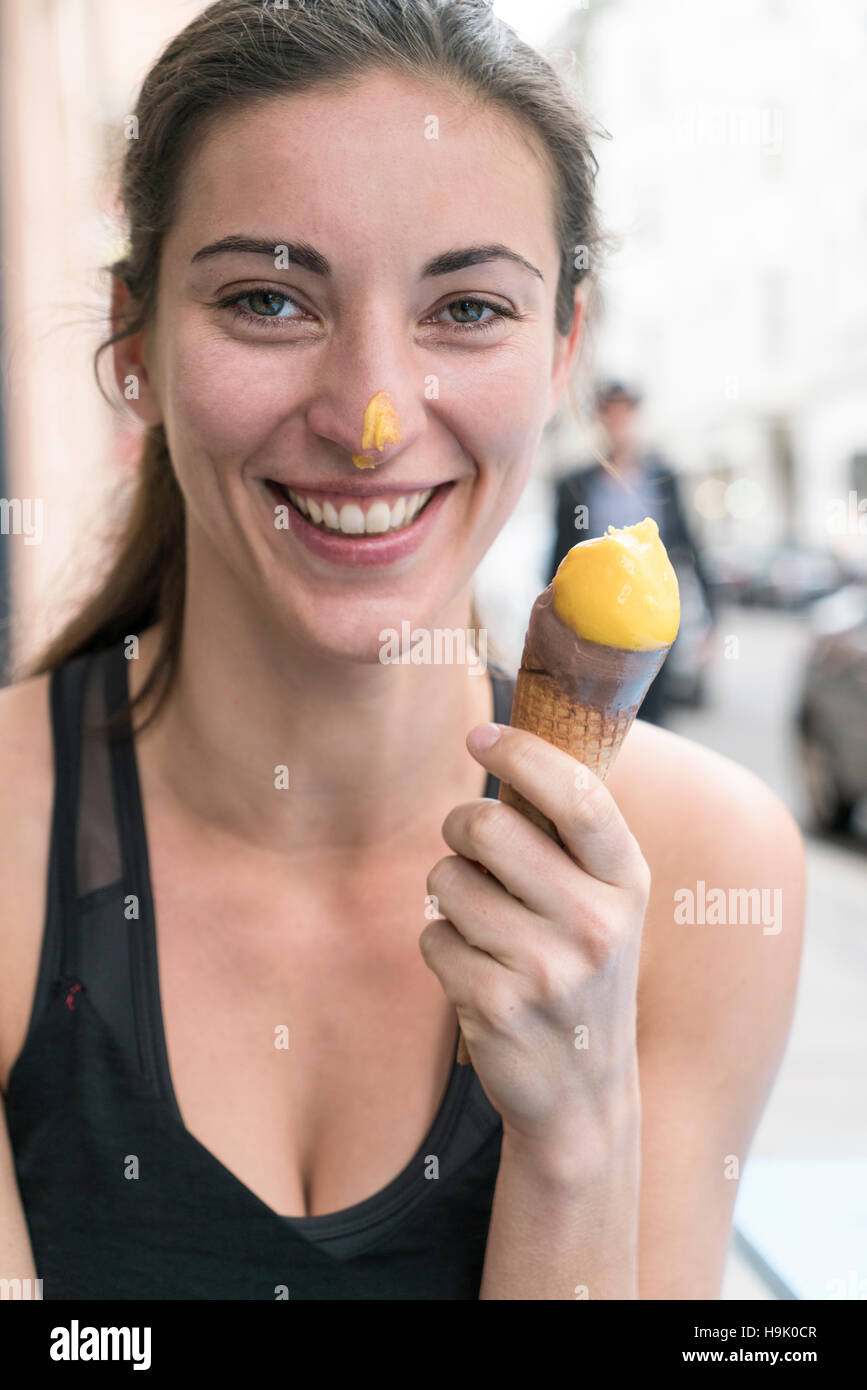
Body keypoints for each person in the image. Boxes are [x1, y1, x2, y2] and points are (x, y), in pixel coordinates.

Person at [0, 0, 803, 1301]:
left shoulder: (708, 867)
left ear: (562, 353)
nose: (370, 417)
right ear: (136, 345)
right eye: (268, 299)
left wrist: (577, 1135)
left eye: (467, 307)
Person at [548, 382, 716, 723]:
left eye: (626, 415)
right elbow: (559, 557)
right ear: (602, 421)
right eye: (612, 415)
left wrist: (713, 617)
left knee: (654, 720)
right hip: (595, 621)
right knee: (596, 718)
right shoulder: (578, 484)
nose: (619, 424)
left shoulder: (663, 478)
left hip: (653, 619)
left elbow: (690, 546)